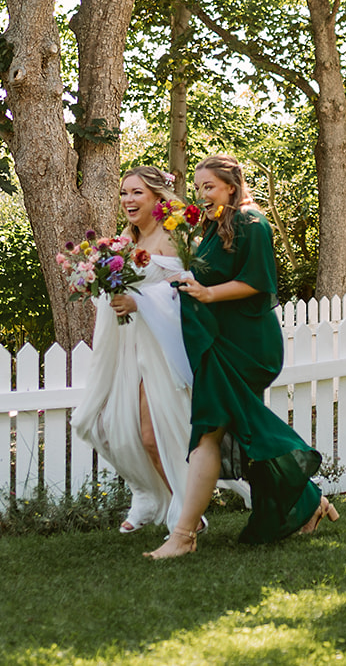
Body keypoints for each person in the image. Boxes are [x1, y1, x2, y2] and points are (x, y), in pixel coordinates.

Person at [145, 154, 338, 558]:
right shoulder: (217, 225)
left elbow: (257, 281)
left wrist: (208, 293)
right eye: (198, 188)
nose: (203, 194)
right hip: (220, 341)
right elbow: (207, 273)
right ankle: (308, 499)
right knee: (234, 428)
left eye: (209, 186)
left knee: (211, 428)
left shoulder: (252, 222)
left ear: (231, 186)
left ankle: (183, 537)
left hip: (246, 345)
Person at [71, 166, 196, 533]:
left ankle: (187, 511)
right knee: (101, 424)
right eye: (124, 193)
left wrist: (139, 302)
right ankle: (147, 492)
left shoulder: (174, 239)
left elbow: (185, 293)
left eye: (136, 192)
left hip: (161, 350)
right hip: (126, 350)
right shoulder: (123, 243)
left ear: (158, 197)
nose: (127, 200)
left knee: (149, 435)